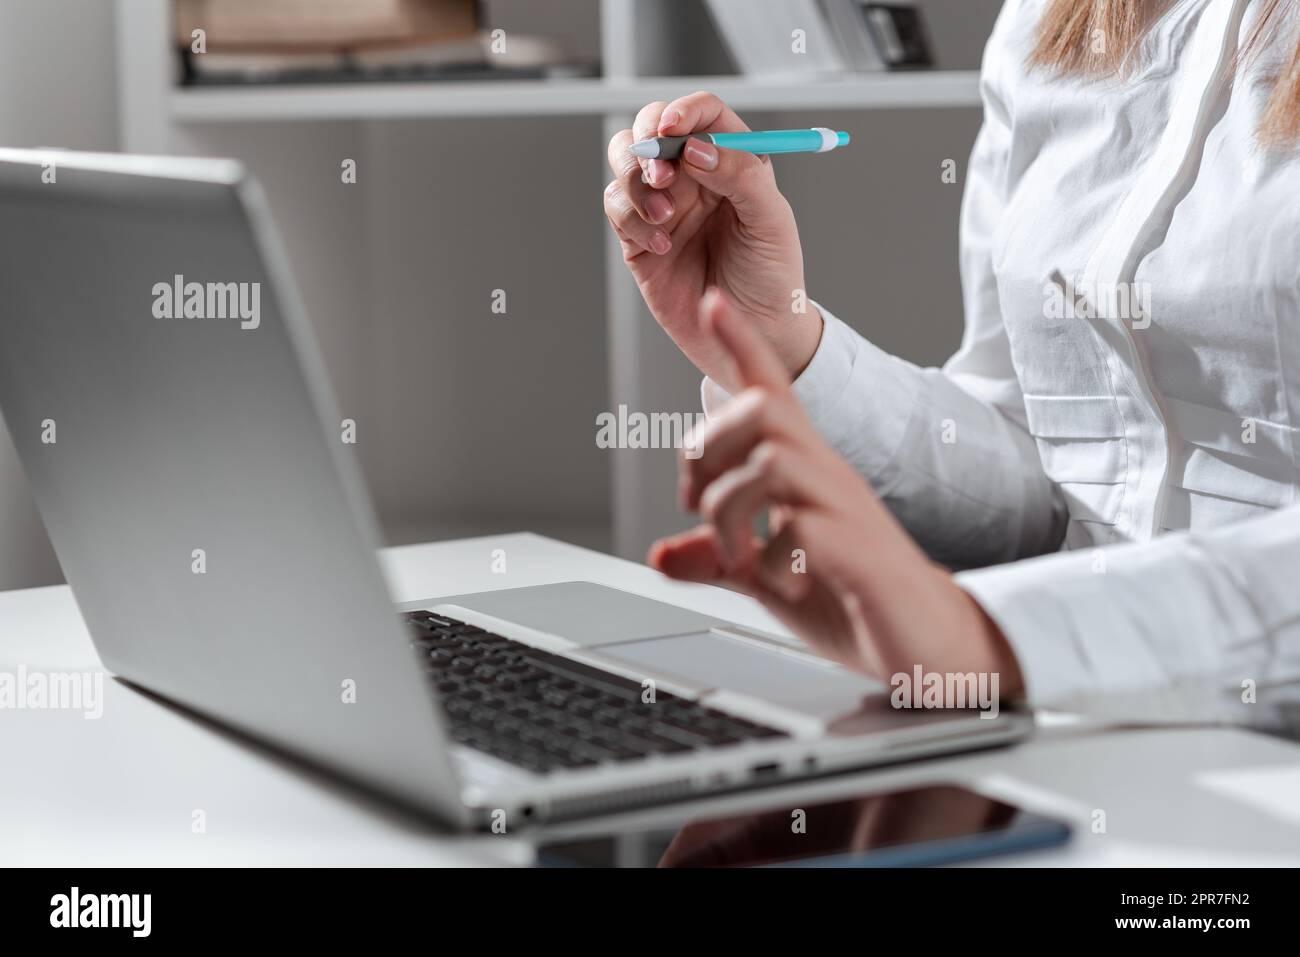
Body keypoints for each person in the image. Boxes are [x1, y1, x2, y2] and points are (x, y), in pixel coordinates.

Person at [601, 0, 1300, 726]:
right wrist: (781, 341)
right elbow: (1046, 466)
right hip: (1049, 719)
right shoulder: (1043, 22)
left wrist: (990, 635)